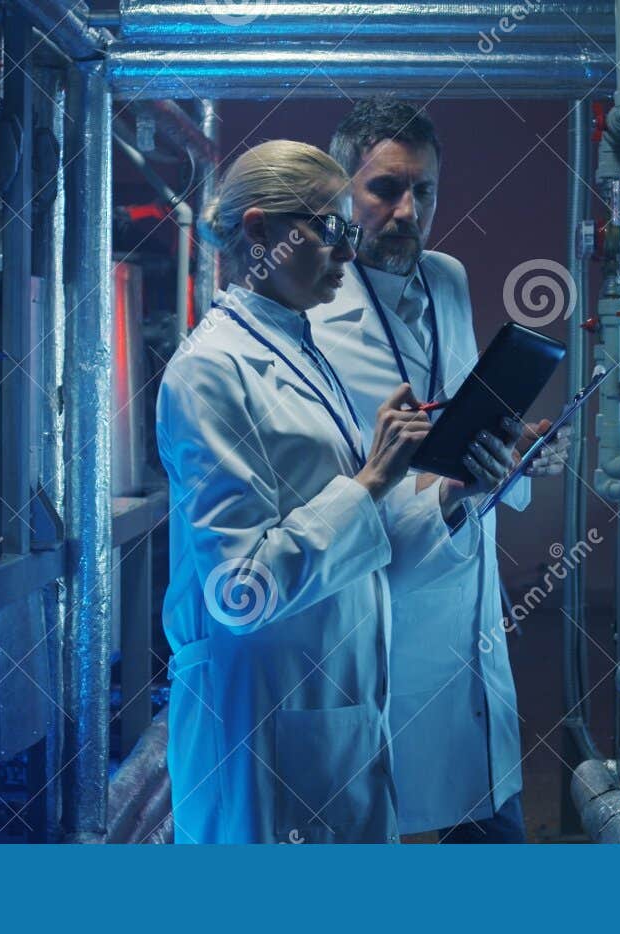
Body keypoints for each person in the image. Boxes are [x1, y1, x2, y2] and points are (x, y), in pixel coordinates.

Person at [156, 140, 515, 844]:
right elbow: (239, 590)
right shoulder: (208, 372)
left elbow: (362, 540)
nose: (348, 255)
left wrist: (447, 492)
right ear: (258, 230)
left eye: (349, 230)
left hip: (332, 714)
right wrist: (372, 478)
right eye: (329, 229)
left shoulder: (297, 348)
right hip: (263, 731)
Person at [308, 97, 569, 843]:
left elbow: (459, 424)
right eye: (384, 189)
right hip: (389, 623)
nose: (407, 210)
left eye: (423, 190)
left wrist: (512, 453)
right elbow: (339, 505)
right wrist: (452, 492)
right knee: (415, 830)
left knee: (494, 824)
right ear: (342, 193)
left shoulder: (446, 279)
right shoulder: (317, 323)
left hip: (474, 609)